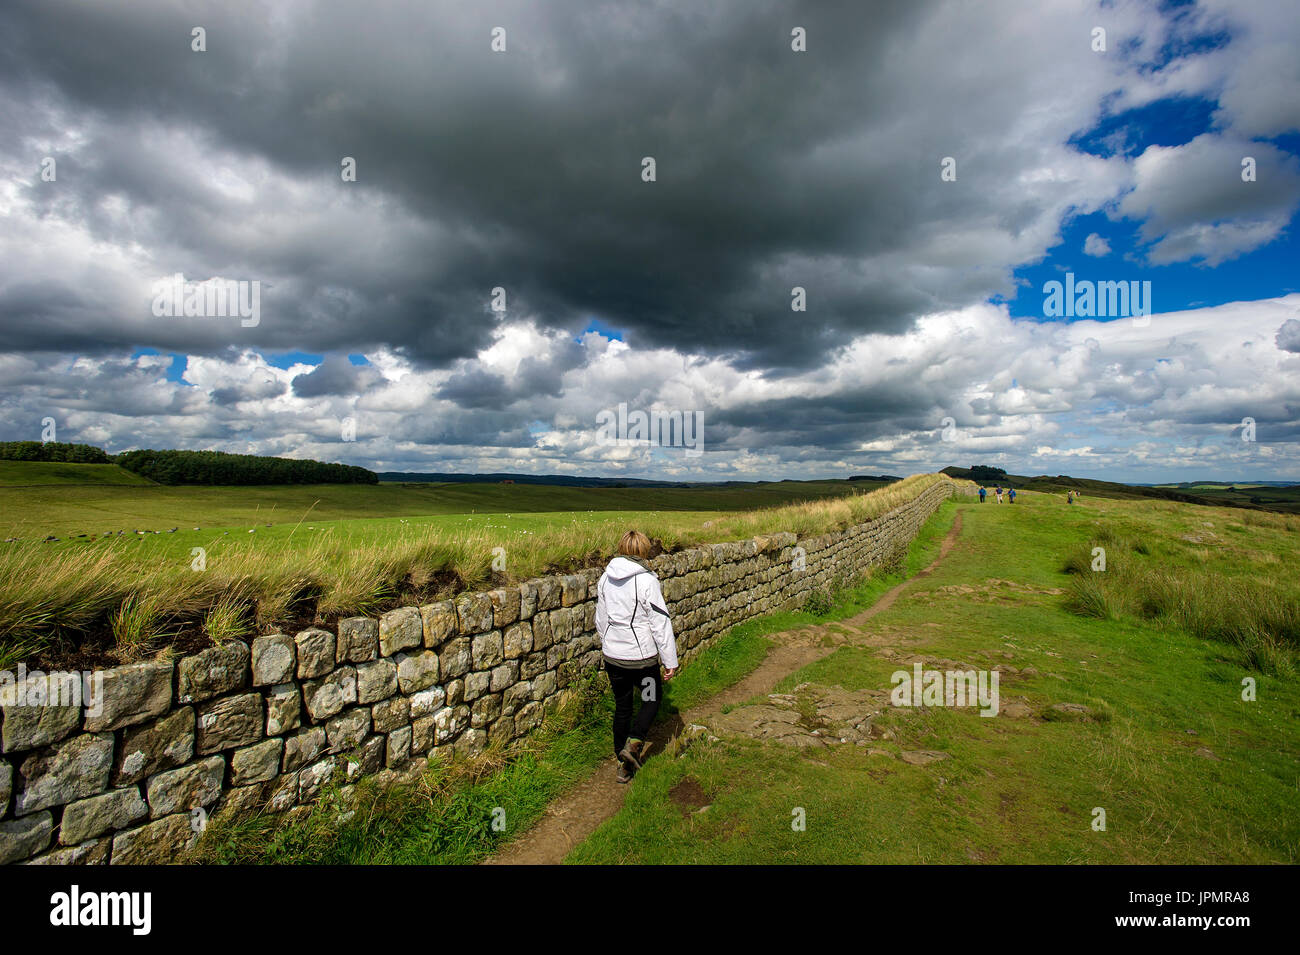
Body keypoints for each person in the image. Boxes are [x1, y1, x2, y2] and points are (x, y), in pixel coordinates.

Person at [595, 529, 679, 783]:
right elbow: (660, 623)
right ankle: (632, 746)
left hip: (613, 658)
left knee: (622, 706)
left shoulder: (605, 579)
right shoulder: (647, 581)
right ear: (643, 551)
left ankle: (622, 761)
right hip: (642, 660)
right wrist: (670, 661)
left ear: (621, 549)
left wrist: (607, 643)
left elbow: (600, 617)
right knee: (652, 700)